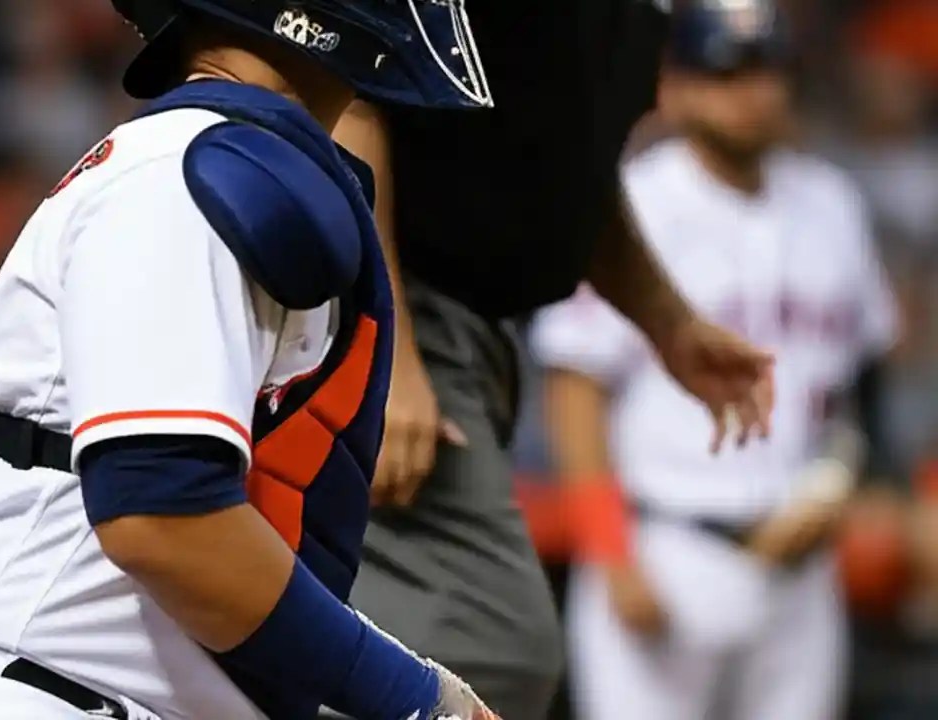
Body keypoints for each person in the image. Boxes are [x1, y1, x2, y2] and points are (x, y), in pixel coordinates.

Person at [0, 0, 506, 718]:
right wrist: (414, 697)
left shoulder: (227, 166)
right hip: (10, 689)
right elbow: (162, 514)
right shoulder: (186, 177)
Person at [332, 0, 776, 715]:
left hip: (474, 328)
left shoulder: (635, 20)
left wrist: (668, 322)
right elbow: (353, 95)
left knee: (450, 646)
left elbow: (569, 171)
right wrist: (386, 346)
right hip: (393, 296)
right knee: (489, 642)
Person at [531, 1, 900, 718]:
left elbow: (862, 378)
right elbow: (574, 387)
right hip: (669, 544)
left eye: (770, 71)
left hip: (801, 567)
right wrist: (610, 552)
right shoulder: (638, 205)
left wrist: (854, 484)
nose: (755, 93)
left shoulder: (832, 202)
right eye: (728, 74)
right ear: (676, 87)